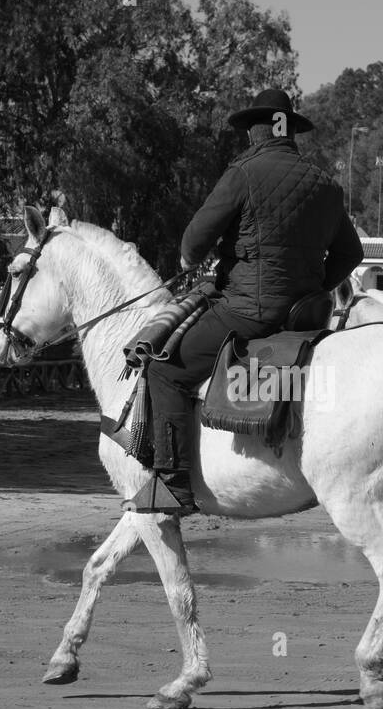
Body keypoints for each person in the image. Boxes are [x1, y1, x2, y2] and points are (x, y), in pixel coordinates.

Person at [142, 88, 364, 513]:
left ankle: (172, 486)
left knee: (163, 369)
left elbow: (192, 246)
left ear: (256, 131)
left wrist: (193, 259)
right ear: (289, 131)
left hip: (246, 312)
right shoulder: (325, 184)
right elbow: (352, 254)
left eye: (248, 131)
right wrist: (317, 284)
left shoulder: (243, 173)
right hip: (304, 317)